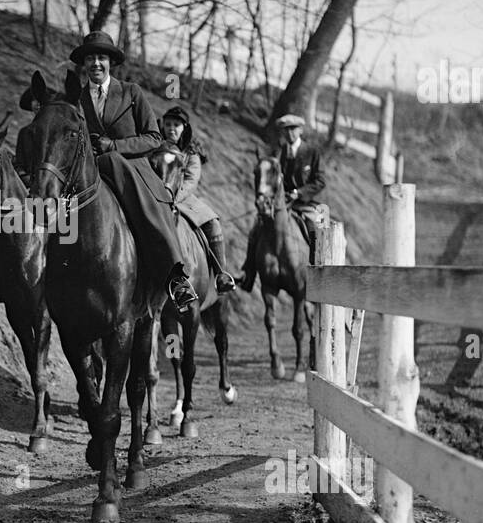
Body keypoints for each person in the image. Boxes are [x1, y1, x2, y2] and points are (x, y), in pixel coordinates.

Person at [68, 30, 197, 312]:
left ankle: (175, 277)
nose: (96, 64)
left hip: (131, 167)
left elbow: (152, 137)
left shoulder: (131, 92)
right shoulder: (76, 98)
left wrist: (114, 145)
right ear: (84, 64)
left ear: (110, 62)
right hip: (91, 169)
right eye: (90, 59)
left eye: (101, 58)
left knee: (153, 209)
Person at [238, 112, 327, 292]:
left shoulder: (312, 152)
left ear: (300, 130)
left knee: (316, 228)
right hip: (281, 203)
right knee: (257, 228)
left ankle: (320, 274)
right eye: (286, 130)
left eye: (293, 129)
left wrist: (299, 193)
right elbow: (272, 177)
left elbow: (320, 181)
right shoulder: (279, 153)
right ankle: (249, 273)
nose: (290, 134)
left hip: (305, 203)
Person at [159, 104, 236, 293]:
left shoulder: (191, 152)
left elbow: (191, 180)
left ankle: (221, 274)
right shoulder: (155, 146)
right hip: (155, 194)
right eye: (168, 124)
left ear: (184, 127)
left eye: (176, 125)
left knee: (212, 223)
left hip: (182, 198)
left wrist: (173, 197)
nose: (171, 128)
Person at [0, 85, 44, 304]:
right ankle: (0, 283)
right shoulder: (27, 133)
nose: (37, 106)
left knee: (68, 227)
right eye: (35, 103)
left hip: (53, 189)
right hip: (28, 188)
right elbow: (22, 165)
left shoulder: (59, 129)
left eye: (41, 102)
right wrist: (27, 182)